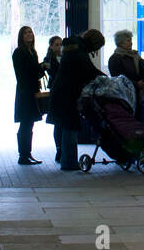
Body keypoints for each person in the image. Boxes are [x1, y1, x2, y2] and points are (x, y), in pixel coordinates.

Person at [47, 28, 105, 171]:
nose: (96, 50)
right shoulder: (78, 49)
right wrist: (105, 78)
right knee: (70, 126)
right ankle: (69, 163)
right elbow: (88, 70)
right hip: (67, 94)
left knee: (66, 126)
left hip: (62, 92)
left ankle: (65, 159)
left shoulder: (75, 46)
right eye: (97, 47)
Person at [12, 25, 46, 165]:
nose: (30, 35)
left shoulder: (32, 51)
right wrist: (41, 67)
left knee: (29, 123)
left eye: (31, 32)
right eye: (26, 33)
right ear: (21, 36)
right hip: (25, 92)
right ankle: (23, 154)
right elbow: (25, 73)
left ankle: (27, 153)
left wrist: (41, 68)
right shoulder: (19, 52)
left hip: (32, 90)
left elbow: (36, 72)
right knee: (25, 123)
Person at [108, 29, 144, 118]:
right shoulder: (115, 59)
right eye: (128, 41)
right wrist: (136, 84)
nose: (131, 43)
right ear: (120, 43)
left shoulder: (134, 56)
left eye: (131, 40)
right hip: (123, 97)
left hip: (136, 95)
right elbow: (118, 78)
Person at [42, 35, 63, 160]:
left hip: (65, 91)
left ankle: (62, 148)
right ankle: (59, 149)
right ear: (51, 46)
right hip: (55, 91)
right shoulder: (49, 59)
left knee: (62, 122)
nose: (59, 47)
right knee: (58, 122)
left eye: (61, 44)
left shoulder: (65, 57)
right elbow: (53, 73)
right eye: (56, 44)